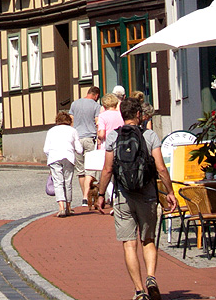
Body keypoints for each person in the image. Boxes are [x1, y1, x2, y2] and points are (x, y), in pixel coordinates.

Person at [92, 96, 177, 300]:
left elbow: (107, 169)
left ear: (122, 115)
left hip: (124, 196)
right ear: (139, 115)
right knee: (148, 239)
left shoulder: (114, 137)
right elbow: (161, 169)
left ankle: (139, 291)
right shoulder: (150, 136)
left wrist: (101, 194)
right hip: (147, 195)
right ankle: (151, 277)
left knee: (129, 243)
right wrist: (170, 193)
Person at [69, 86, 102, 209]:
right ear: (96, 95)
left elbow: (71, 121)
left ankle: (84, 198)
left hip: (77, 139)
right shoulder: (95, 106)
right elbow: (97, 122)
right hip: (89, 139)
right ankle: (86, 195)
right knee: (91, 168)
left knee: (80, 170)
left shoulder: (75, 104)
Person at [44, 111, 80, 217]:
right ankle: (69, 207)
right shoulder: (73, 131)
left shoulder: (51, 131)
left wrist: (49, 156)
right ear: (69, 121)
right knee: (68, 182)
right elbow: (79, 149)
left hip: (54, 158)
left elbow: (46, 149)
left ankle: (61, 208)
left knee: (58, 183)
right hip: (68, 157)